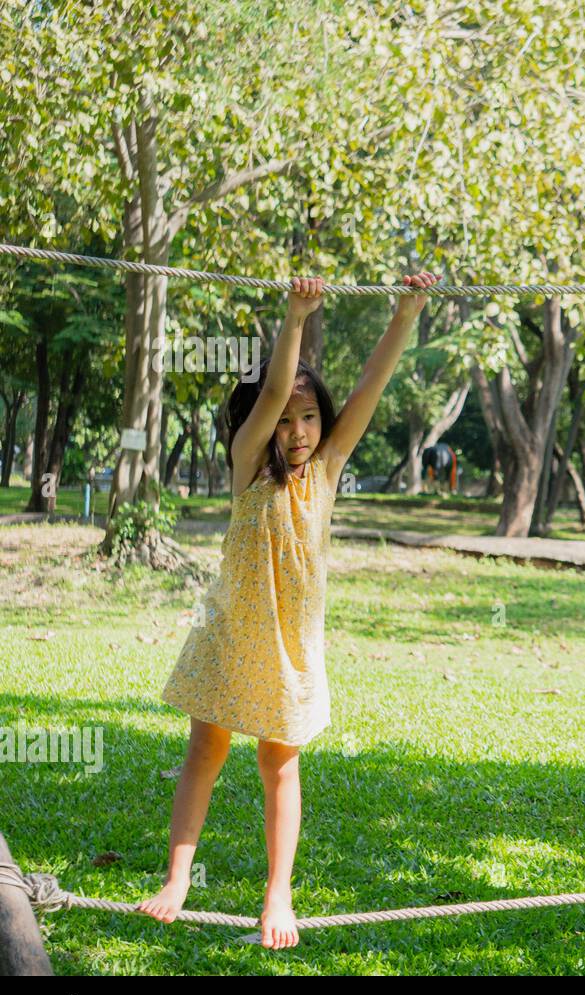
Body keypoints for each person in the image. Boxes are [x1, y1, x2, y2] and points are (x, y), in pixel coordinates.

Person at [137, 269, 440, 947]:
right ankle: (178, 877)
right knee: (204, 750)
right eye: (287, 419)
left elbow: (368, 390)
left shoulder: (327, 471)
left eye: (310, 417)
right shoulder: (247, 464)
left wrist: (406, 313)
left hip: (291, 648)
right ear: (258, 423)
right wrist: (296, 316)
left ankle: (279, 896)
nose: (299, 429)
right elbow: (274, 388)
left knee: (281, 764)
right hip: (229, 634)